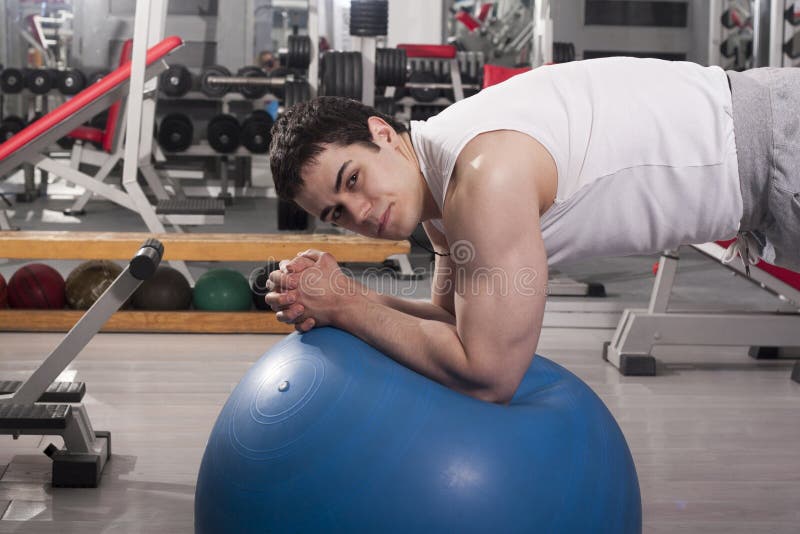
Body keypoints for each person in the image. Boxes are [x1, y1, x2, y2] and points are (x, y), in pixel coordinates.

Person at [264, 56, 800, 403]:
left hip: (784, 151)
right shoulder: (438, 184)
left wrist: (347, 308)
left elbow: (490, 373)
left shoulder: (481, 177)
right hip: (772, 167)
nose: (359, 211)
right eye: (335, 213)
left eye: (352, 180)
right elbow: (453, 326)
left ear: (381, 133)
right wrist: (345, 294)